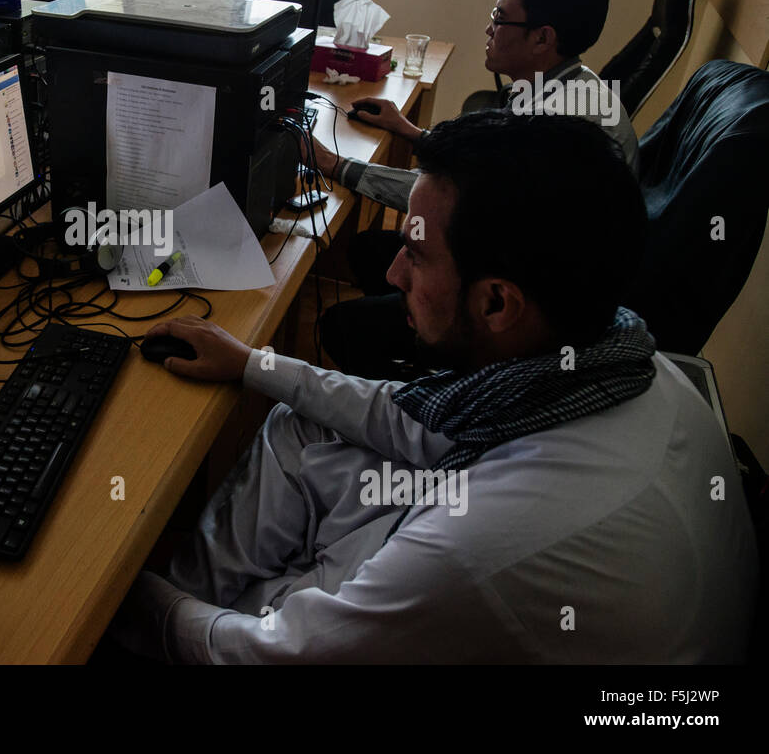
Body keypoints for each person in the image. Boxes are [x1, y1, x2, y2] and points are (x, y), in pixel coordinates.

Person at [110, 110, 756, 663]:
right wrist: (252, 363)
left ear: (498, 303)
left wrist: (125, 593)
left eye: (415, 253)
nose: (392, 271)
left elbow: (274, 654)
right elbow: (409, 421)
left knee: (243, 609)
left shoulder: (494, 537)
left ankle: (160, 620)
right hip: (539, 587)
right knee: (299, 423)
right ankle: (199, 590)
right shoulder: (620, 358)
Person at [315, 0, 639, 375]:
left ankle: (436, 395)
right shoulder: (572, 83)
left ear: (542, 38)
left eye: (500, 19)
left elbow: (453, 202)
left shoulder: (558, 123)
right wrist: (411, 132)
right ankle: (423, 341)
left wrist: (336, 165)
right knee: (367, 249)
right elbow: (490, 172)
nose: (489, 29)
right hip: (520, 264)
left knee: (342, 327)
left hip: (527, 312)